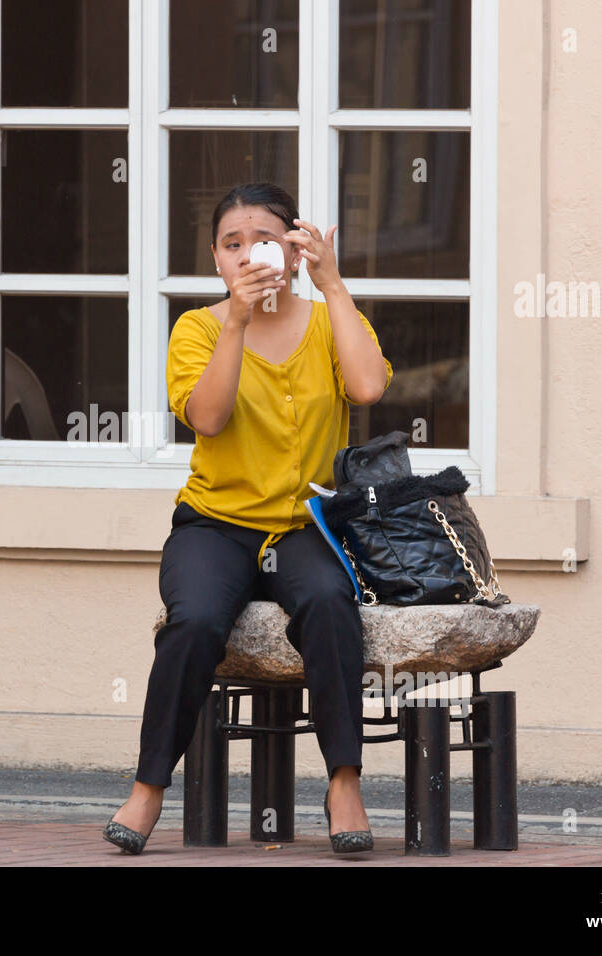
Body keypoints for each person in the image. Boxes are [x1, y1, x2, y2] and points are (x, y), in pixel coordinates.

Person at [104, 182, 393, 855]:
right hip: (215, 524)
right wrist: (237, 319)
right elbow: (207, 417)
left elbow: (369, 387)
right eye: (231, 244)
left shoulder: (326, 322)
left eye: (260, 240)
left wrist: (335, 284)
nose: (245, 255)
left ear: (291, 248)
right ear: (215, 257)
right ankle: (149, 788)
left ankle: (344, 781)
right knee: (196, 621)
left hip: (304, 527)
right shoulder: (199, 329)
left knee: (327, 600)